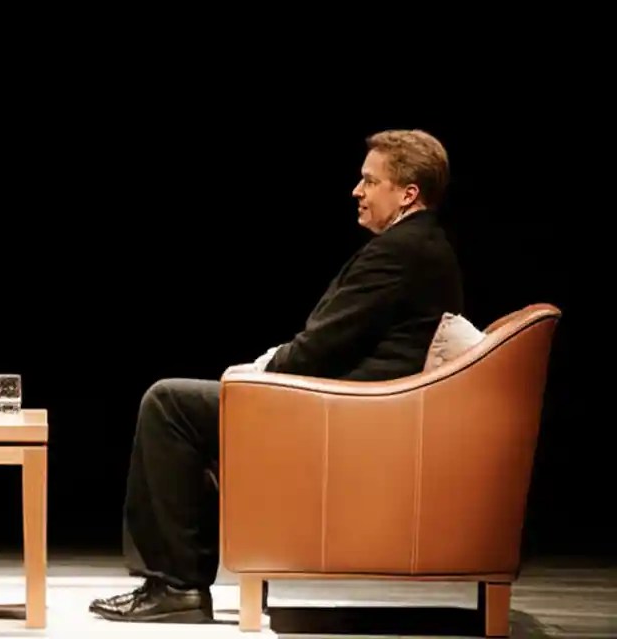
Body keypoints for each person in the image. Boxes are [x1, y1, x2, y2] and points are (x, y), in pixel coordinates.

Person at [89, 129, 464, 624]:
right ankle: (177, 580)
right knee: (188, 408)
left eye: (370, 181)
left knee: (168, 404)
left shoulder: (401, 251)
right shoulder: (421, 246)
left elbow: (320, 348)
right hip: (355, 406)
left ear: (407, 193)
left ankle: (176, 584)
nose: (357, 190)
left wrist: (259, 372)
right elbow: (331, 342)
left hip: (345, 416)